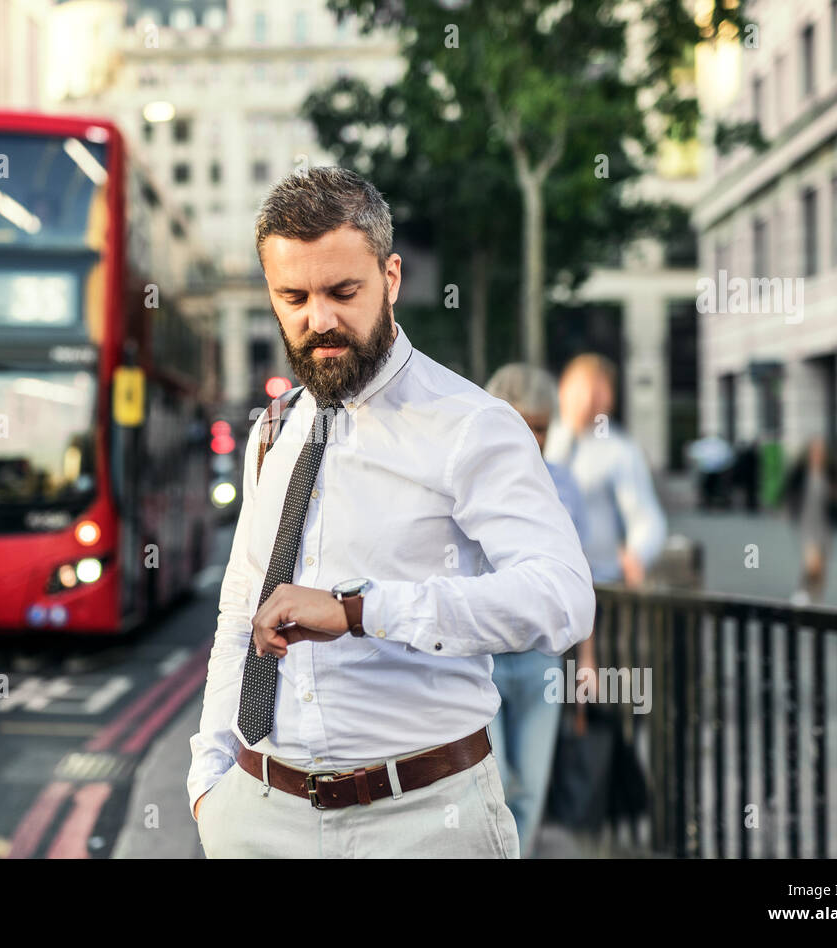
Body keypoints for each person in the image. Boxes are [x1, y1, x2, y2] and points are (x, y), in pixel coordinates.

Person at [187, 167, 594, 858]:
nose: (320, 319)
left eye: (343, 292)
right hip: (259, 817)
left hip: (424, 823)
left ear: (392, 277)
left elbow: (562, 599)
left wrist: (361, 610)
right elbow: (239, 608)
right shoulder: (272, 431)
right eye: (294, 297)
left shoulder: (470, 424)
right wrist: (209, 781)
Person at [483, 362, 590, 857]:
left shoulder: (564, 486)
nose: (532, 436)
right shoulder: (468, 482)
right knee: (493, 787)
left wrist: (587, 662)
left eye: (542, 426)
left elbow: (581, 582)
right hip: (478, 660)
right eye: (521, 422)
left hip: (541, 661)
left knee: (530, 791)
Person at [544, 354, 667, 704]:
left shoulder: (620, 452)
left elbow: (647, 517)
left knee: (598, 700)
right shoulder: (539, 440)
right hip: (548, 594)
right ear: (563, 390)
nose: (589, 400)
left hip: (603, 593)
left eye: (598, 392)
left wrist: (637, 553)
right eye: (582, 389)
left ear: (609, 398)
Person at [782, 435, 837, 605]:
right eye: (815, 451)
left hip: (825, 525)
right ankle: (802, 591)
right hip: (807, 522)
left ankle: (817, 597)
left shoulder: (830, 473)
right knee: (812, 562)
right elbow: (789, 491)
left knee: (822, 564)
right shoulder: (801, 472)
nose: (818, 454)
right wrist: (789, 509)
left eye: (821, 451)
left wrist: (836, 500)